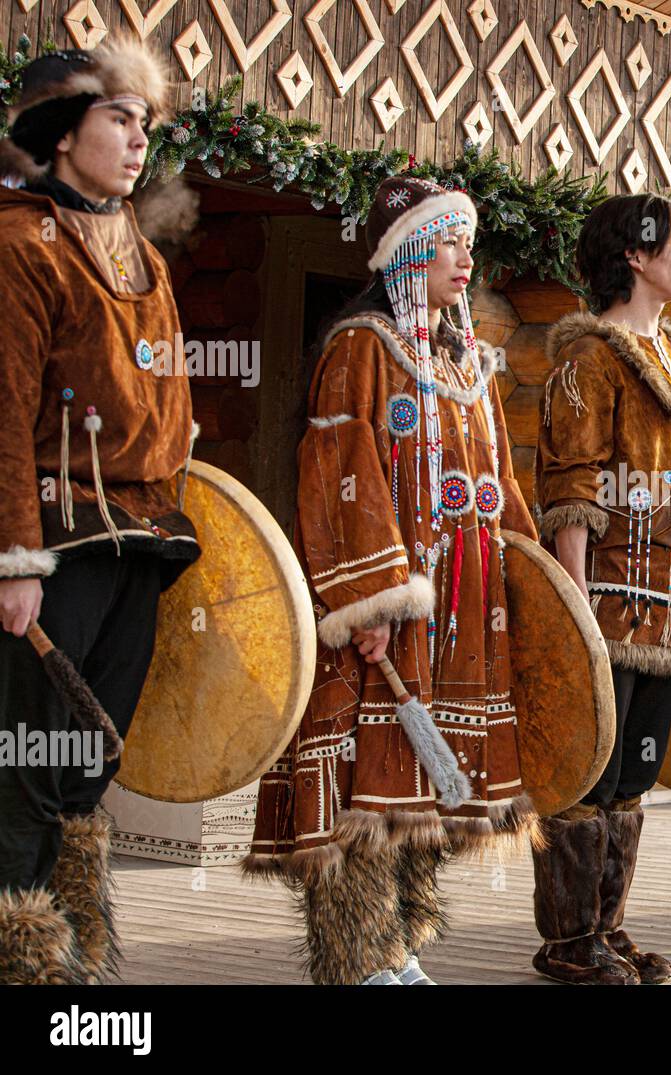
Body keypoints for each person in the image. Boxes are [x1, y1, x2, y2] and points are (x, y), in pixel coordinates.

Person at [242, 176, 538, 984]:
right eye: (447, 239)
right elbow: (341, 474)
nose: (464, 255)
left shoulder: (472, 363)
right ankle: (358, 955)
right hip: (386, 609)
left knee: (426, 789)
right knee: (363, 786)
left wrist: (528, 581)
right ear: (407, 250)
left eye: (467, 239)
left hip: (463, 611)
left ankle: (403, 946)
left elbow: (500, 479)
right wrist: (361, 600)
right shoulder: (361, 347)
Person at [0, 39, 199, 984]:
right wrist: (14, 558)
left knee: (87, 770)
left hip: (138, 541)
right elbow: (1, 413)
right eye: (118, 118)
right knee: (29, 768)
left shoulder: (143, 258)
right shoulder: (16, 244)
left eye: (144, 124)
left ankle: (65, 958)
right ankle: (17, 956)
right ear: (62, 130)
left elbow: (171, 410)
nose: (136, 140)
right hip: (55, 542)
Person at [532, 193, 671, 984]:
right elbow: (571, 492)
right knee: (589, 774)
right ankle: (568, 940)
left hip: (667, 613)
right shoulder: (589, 360)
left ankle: (607, 927)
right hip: (605, 603)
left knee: (634, 776)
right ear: (634, 257)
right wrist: (574, 613)